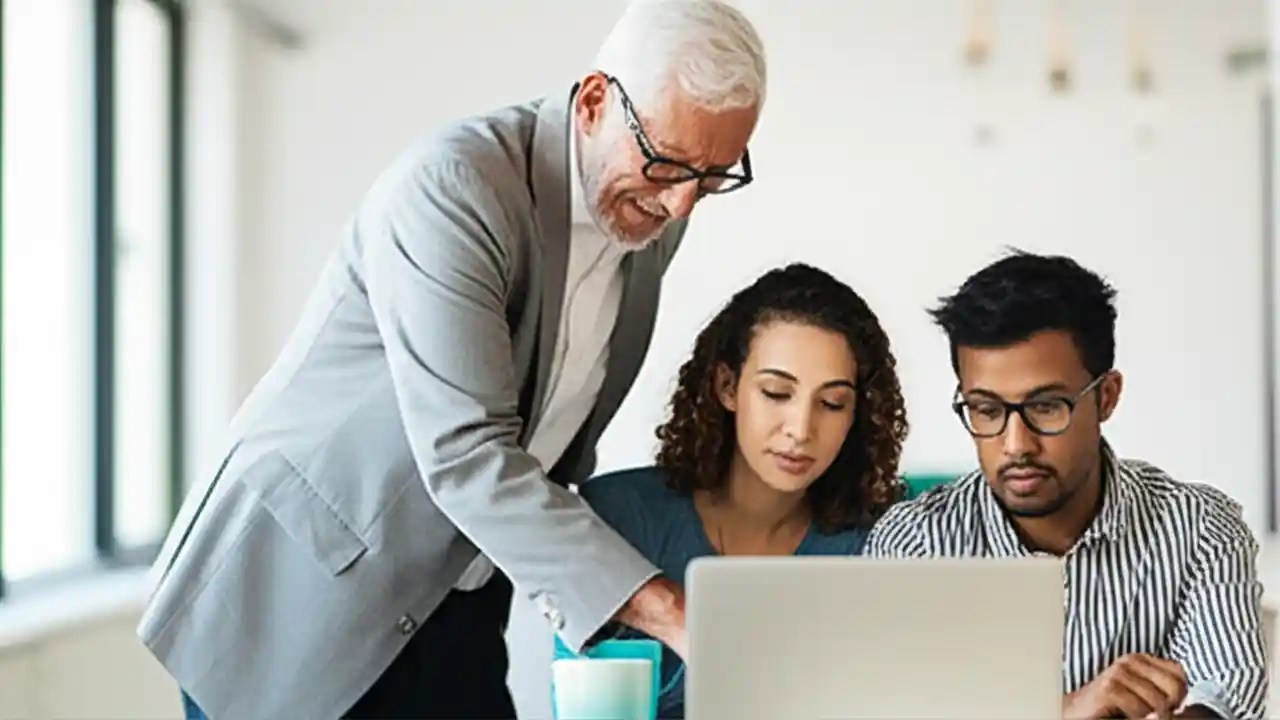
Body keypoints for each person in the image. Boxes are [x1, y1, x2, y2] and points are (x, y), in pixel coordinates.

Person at [138, 2, 767, 718]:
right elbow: (468, 453)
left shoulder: (651, 214)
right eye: (666, 163)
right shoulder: (457, 186)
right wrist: (672, 612)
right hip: (303, 595)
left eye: (713, 177)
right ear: (595, 101)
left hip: (457, 598)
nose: (682, 203)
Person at [866, 251, 1267, 720]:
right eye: (987, 410)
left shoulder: (1199, 530)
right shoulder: (914, 546)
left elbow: (1227, 699)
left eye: (1046, 407)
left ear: (1107, 396)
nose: (1016, 445)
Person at [574, 263, 909, 718]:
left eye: (832, 403)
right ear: (728, 387)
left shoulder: (883, 541)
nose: (801, 429)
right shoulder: (619, 517)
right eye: (775, 392)